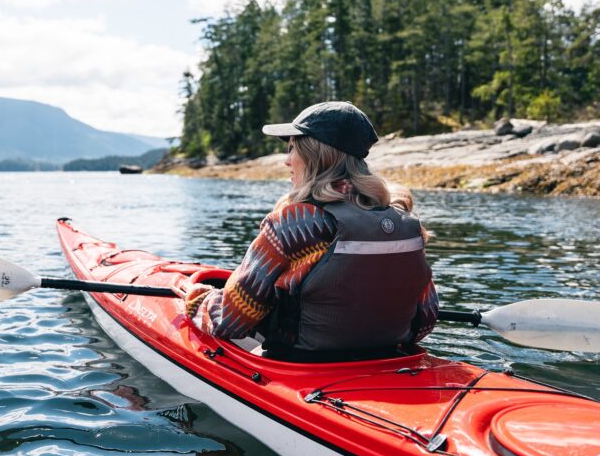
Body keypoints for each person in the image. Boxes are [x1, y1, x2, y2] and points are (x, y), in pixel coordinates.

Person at [182, 101, 438, 361]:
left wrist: (195, 298)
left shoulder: (292, 224)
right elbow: (426, 319)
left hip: (303, 367)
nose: (286, 160)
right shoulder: (406, 223)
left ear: (313, 156)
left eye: (292, 148)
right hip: (390, 360)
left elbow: (230, 320)